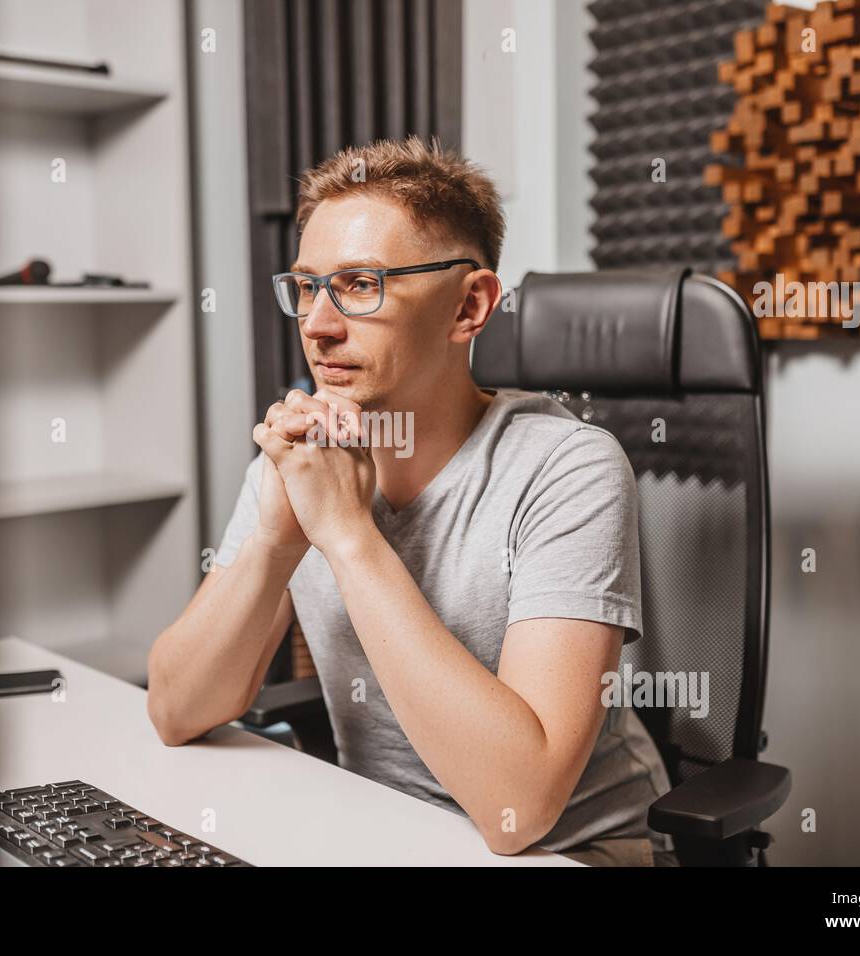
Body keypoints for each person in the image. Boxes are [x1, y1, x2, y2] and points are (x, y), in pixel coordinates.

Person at [147, 136, 677, 866]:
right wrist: (275, 542)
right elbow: (174, 710)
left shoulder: (568, 468)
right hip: (382, 836)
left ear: (469, 305)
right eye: (307, 287)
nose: (318, 324)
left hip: (576, 851)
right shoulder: (304, 461)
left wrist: (349, 538)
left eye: (361, 284)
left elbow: (518, 811)